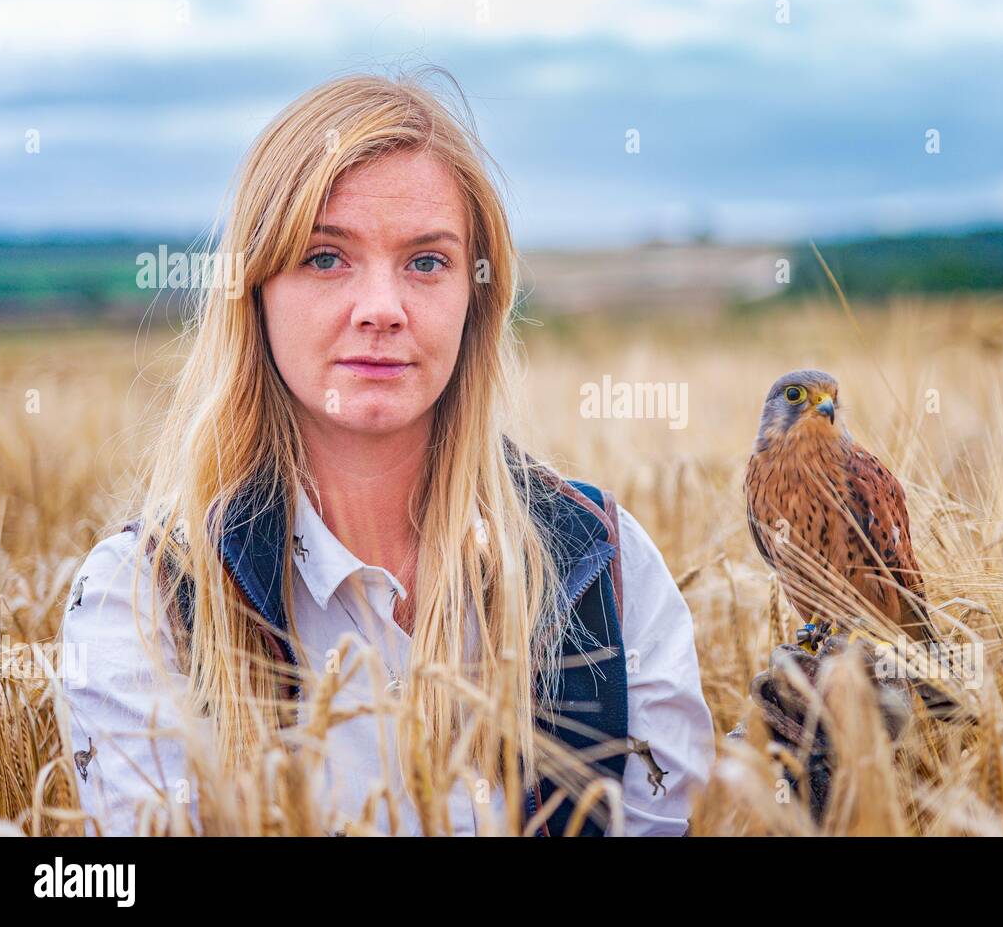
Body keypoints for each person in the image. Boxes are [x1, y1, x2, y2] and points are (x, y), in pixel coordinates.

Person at [59, 70, 715, 836]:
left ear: (478, 301)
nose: (380, 309)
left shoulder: (602, 569)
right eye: (325, 258)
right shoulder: (144, 602)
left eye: (427, 261)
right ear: (255, 290)